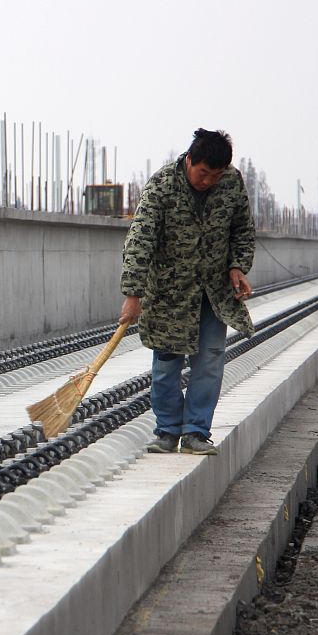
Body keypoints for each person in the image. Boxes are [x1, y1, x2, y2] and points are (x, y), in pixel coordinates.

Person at [119, 128, 255, 456]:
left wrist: (237, 265)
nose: (207, 181)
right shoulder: (162, 186)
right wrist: (133, 293)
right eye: (203, 173)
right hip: (169, 293)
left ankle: (195, 431)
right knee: (166, 363)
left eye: (215, 175)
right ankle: (167, 431)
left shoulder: (232, 184)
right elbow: (140, 240)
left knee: (209, 360)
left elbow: (243, 230)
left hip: (213, 292)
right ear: (189, 160)